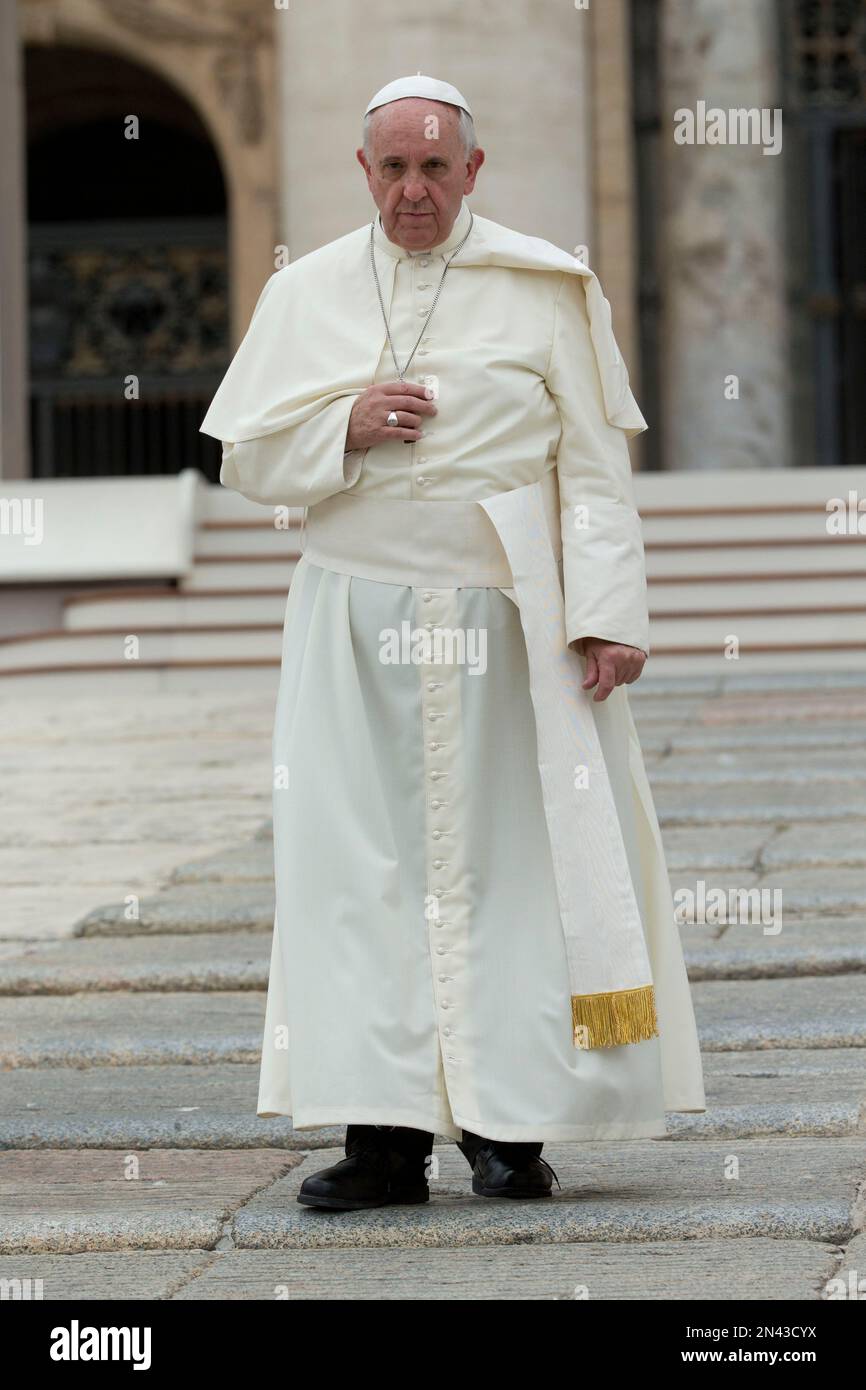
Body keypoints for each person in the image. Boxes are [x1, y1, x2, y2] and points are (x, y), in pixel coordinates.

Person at [200, 74, 706, 1211]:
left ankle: (506, 1132)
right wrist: (343, 424)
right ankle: (381, 1142)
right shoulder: (306, 291)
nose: (413, 189)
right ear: (363, 171)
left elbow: (589, 462)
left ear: (471, 171)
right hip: (354, 621)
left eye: (435, 168)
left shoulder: (543, 288)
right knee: (356, 880)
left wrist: (609, 612)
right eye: (393, 168)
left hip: (508, 619)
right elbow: (244, 460)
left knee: (512, 875)